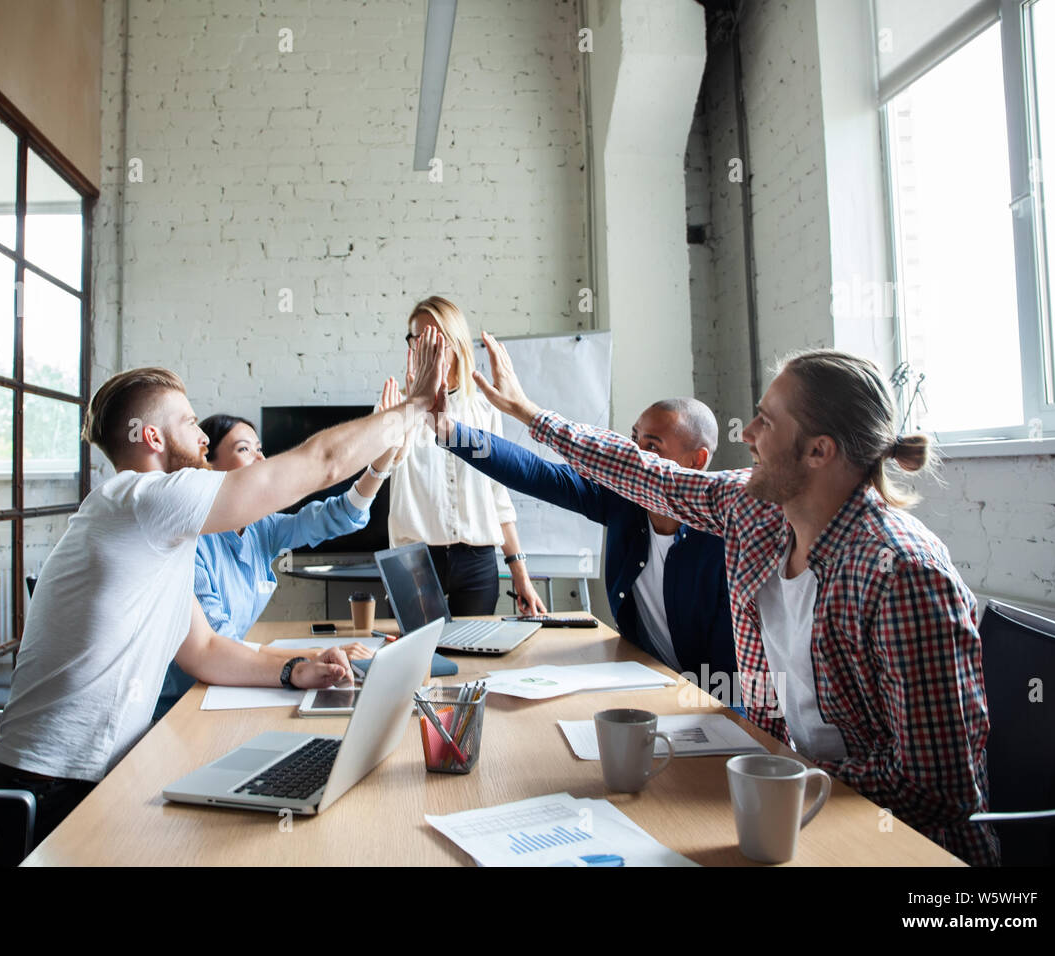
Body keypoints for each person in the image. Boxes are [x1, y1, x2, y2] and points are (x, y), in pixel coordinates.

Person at [469, 331, 998, 867]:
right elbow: (642, 472)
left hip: (896, 846)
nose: (746, 434)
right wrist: (528, 412)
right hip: (788, 811)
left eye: (766, 421)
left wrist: (783, 774)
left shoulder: (901, 573)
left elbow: (937, 786)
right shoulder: (754, 511)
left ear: (819, 451)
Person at [0, 329, 449, 855]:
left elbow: (203, 650)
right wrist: (412, 409)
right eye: (187, 423)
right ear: (152, 438)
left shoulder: (151, 535)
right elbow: (320, 464)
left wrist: (299, 668)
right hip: (45, 795)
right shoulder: (144, 498)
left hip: (89, 776)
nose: (202, 436)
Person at [437, 399, 738, 692]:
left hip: (705, 706)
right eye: (632, 440)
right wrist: (450, 431)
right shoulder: (623, 502)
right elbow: (537, 473)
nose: (634, 456)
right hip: (646, 681)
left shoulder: (723, 542)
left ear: (696, 461)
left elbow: (732, 680)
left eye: (652, 446)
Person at [154, 383, 405, 720]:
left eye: (260, 449)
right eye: (245, 450)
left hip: (232, 687)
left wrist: (380, 464)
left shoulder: (262, 527)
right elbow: (216, 643)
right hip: (185, 706)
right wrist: (312, 656)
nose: (261, 459)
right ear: (209, 465)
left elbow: (339, 516)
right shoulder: (190, 542)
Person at [388, 296, 547, 616]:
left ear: (457, 344)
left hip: (477, 564)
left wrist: (520, 573)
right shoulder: (396, 405)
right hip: (414, 562)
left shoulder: (484, 409)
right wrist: (411, 409)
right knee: (415, 662)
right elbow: (386, 462)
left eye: (435, 340)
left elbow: (498, 496)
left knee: (473, 660)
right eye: (417, 339)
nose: (424, 348)